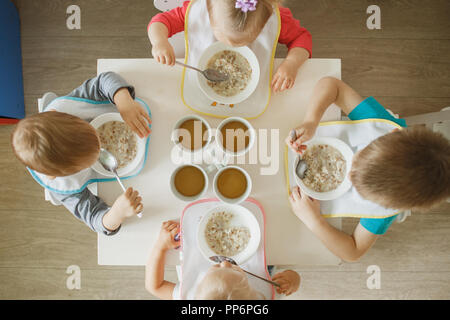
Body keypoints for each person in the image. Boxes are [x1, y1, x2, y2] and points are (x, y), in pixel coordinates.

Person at [286, 77, 450, 262]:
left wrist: (314, 221)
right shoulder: (380, 124)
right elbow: (332, 86)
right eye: (358, 160)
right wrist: (311, 121)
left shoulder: (384, 210)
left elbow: (353, 252)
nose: (348, 174)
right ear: (391, 134)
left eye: (359, 186)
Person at [11, 72, 151, 235]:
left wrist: (123, 100)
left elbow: (104, 81)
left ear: (60, 113)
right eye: (90, 158)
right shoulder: (62, 185)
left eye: (92, 131)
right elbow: (94, 218)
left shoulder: (67, 109)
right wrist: (117, 213)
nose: (101, 146)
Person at [148, 0, 312, 93]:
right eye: (223, 37)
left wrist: (291, 63)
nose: (232, 46)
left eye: (246, 40)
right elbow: (161, 22)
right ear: (209, 9)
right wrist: (159, 42)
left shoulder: (276, 19)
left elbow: (301, 38)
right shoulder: (198, 9)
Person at [145, 220, 301, 299]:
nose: (225, 262)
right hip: (256, 269)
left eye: (216, 268)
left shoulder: (190, 296)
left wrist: (161, 247)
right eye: (233, 269)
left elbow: (155, 287)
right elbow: (293, 279)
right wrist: (292, 280)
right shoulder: (264, 294)